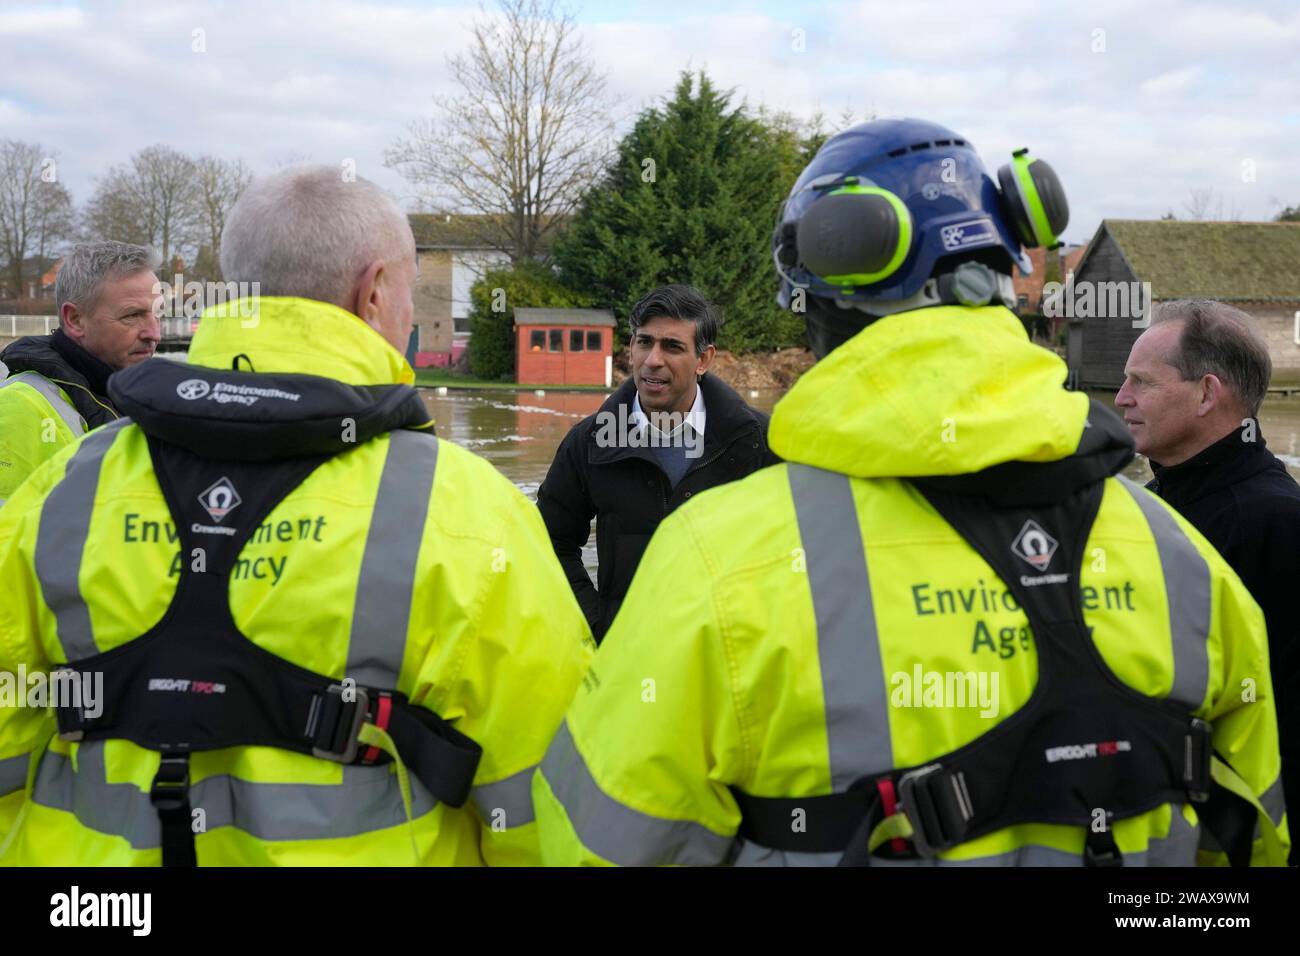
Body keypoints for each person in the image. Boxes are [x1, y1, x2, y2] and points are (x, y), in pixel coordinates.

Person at [533, 118, 1288, 867]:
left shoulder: (718, 563)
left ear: (826, 295)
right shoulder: (1183, 560)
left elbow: (599, 844)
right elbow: (1254, 837)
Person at [0, 166, 592, 866]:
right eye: (406, 293)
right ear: (374, 293)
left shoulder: (63, 490)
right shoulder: (466, 515)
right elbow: (550, 812)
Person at [1117, 298, 1300, 863]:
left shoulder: (1276, 522)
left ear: (1206, 394)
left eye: (1141, 382)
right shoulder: (1149, 508)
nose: (1121, 398)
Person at [537, 284, 776, 642]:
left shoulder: (759, 441)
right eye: (644, 342)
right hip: (627, 660)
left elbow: (799, 548)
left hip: (732, 663)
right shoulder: (588, 442)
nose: (653, 360)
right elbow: (548, 543)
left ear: (704, 360)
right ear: (631, 349)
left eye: (672, 346)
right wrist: (597, 626)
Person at [0, 241, 161, 506]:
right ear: (75, 319)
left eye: (157, 315)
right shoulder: (18, 407)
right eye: (132, 315)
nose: (154, 333)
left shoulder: (141, 399)